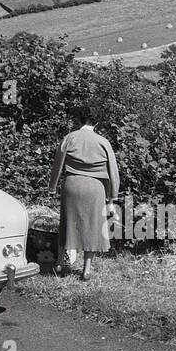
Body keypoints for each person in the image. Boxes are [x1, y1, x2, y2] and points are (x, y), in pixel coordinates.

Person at [48, 111, 120, 279]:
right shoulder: (104, 142)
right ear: (97, 124)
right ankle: (86, 269)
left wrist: (52, 186)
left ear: (79, 120)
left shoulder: (70, 137)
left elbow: (58, 164)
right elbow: (113, 171)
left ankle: (59, 264)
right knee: (93, 227)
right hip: (95, 188)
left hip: (72, 185)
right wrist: (112, 197)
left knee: (67, 224)